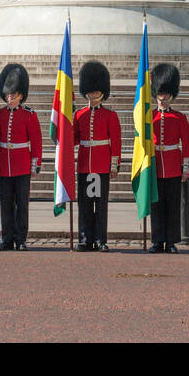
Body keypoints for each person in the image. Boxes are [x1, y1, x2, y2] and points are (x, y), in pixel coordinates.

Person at [0, 63, 42, 251]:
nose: (9, 97)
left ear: (21, 94)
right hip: (5, 164)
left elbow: (36, 142)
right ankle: (7, 238)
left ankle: (21, 238)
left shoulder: (29, 115)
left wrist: (34, 164)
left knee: (21, 204)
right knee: (5, 204)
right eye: (8, 94)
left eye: (13, 94)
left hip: (22, 164)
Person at [75, 60, 121, 251]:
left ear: (102, 92)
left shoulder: (110, 115)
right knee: (85, 205)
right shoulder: (79, 115)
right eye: (90, 91)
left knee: (100, 206)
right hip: (85, 164)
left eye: (95, 91)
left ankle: (101, 239)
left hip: (102, 165)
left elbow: (116, 142)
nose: (92, 94)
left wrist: (114, 165)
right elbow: (74, 139)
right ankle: (86, 239)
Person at [149, 63, 189, 253]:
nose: (163, 97)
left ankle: (171, 241)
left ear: (172, 95)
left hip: (174, 166)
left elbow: (187, 145)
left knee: (173, 206)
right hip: (155, 166)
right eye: (161, 93)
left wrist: (186, 168)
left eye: (167, 94)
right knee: (156, 206)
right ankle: (157, 240)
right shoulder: (149, 117)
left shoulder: (180, 118)